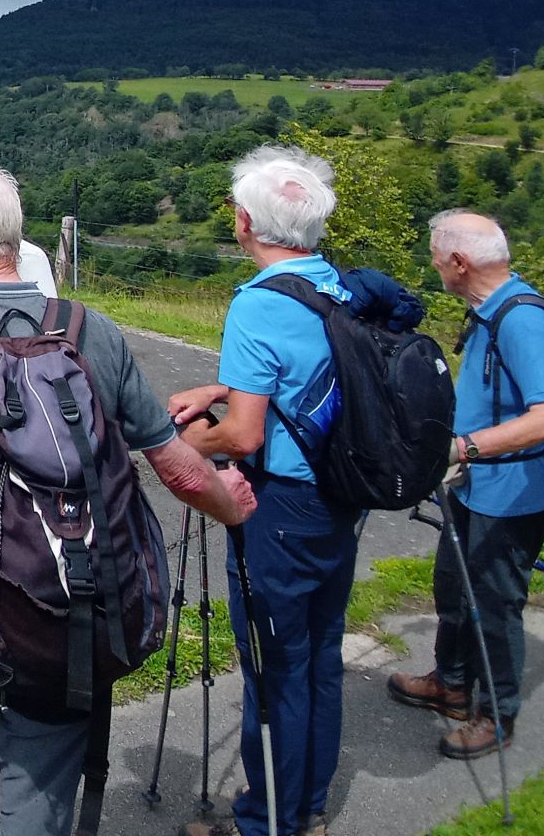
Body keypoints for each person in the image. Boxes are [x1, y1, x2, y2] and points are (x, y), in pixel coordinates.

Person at [0, 160, 256, 836]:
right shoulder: (90, 331)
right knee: (40, 792)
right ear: (13, 238)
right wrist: (231, 505)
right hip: (63, 587)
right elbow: (178, 468)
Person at [170, 146, 354, 836]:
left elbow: (243, 437)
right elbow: (307, 379)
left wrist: (188, 444)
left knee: (274, 669)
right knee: (321, 654)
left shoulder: (257, 305)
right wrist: (221, 388)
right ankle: (307, 806)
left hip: (282, 506)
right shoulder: (336, 288)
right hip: (341, 497)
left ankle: (262, 821)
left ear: (246, 221)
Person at [387, 210, 544, 757]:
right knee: (453, 585)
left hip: (511, 490)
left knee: (494, 599)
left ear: (460, 263)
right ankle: (453, 683)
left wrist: (464, 448)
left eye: (439, 259)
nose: (435, 267)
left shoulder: (521, 319)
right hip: (475, 483)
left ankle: (496, 715)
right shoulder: (488, 311)